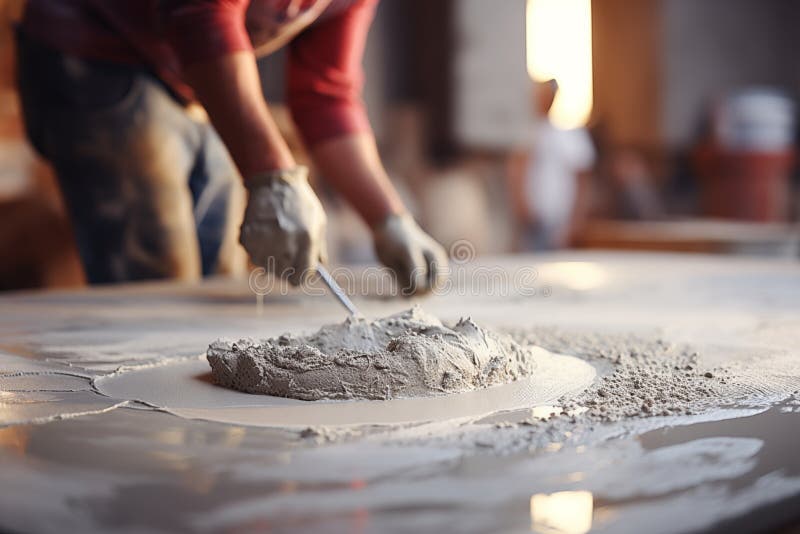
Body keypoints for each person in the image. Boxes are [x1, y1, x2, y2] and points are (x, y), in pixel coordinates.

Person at [15, 0, 448, 294]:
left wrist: (389, 219)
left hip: (191, 69)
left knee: (217, 273)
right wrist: (274, 176)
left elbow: (326, 95)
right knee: (160, 284)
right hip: (97, 47)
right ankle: (153, 423)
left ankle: (195, 421)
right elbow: (202, 16)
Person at [508, 79, 596, 250]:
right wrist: (522, 209)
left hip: (560, 223)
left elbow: (583, 181)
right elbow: (516, 175)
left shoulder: (569, 135)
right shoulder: (526, 135)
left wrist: (575, 222)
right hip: (533, 223)